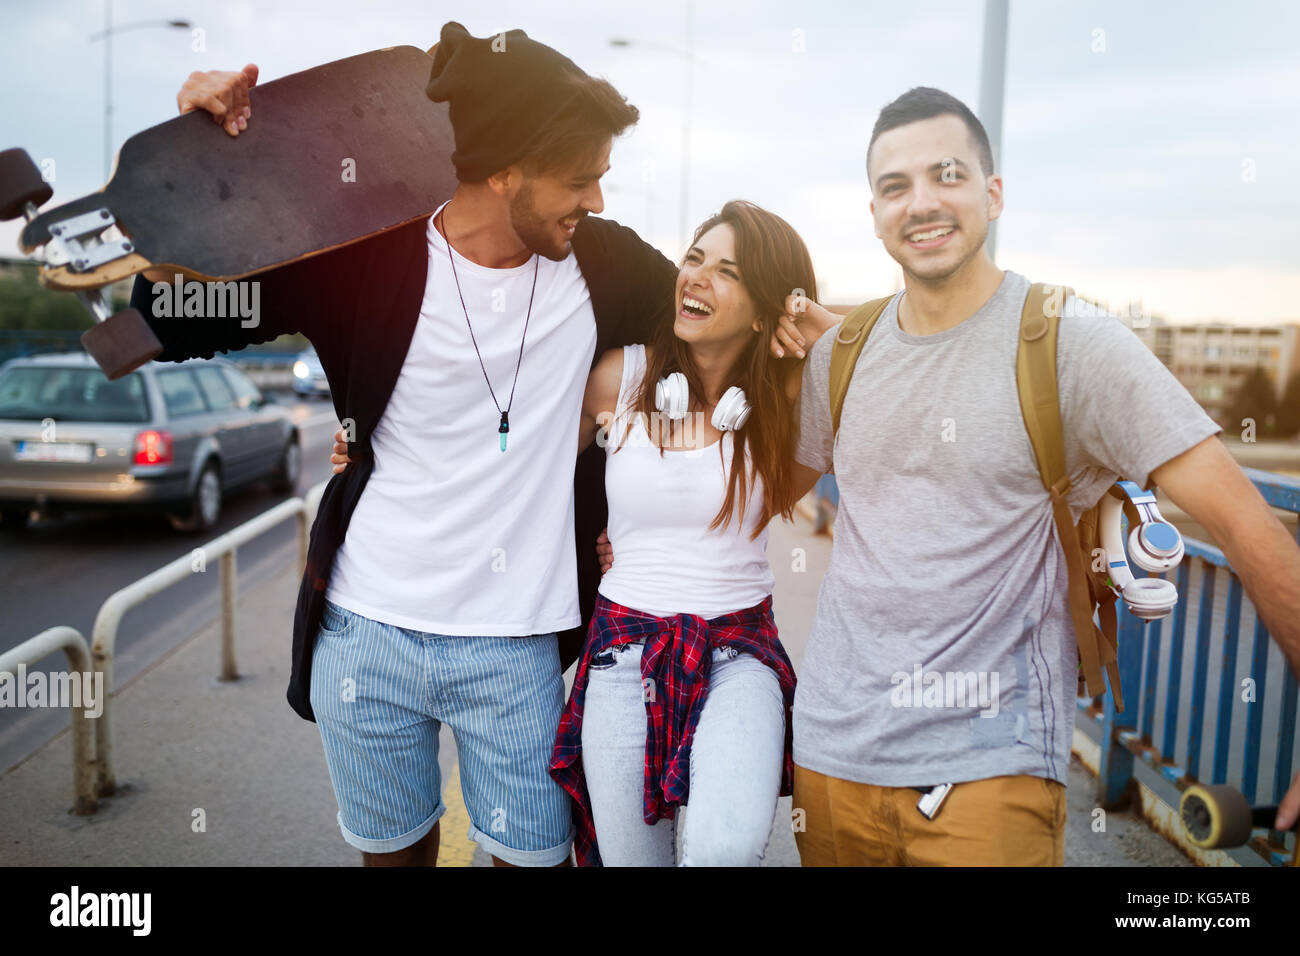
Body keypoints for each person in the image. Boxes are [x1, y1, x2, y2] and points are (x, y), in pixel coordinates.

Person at [129, 22, 811, 868]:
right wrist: (198, 165)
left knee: (532, 860)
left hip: (518, 642)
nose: (596, 199)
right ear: (504, 171)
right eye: (580, 179)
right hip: (366, 629)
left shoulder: (611, 269)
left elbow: (719, 337)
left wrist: (805, 344)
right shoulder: (362, 260)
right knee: (393, 858)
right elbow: (173, 319)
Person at [786, 86, 1300, 865]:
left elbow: (1245, 524)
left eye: (947, 175)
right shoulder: (841, 354)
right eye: (895, 186)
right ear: (874, 213)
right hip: (831, 759)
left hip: (991, 770)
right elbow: (751, 502)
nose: (921, 202)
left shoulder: (1073, 342)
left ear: (993, 194)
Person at [336, 200, 839, 866]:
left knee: (725, 847)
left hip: (738, 653)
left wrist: (814, 319)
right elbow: (512, 466)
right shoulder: (621, 377)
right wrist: (370, 443)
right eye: (694, 258)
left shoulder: (788, 406)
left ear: (765, 306)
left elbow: (894, 358)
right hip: (622, 652)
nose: (696, 278)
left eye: (729, 272)